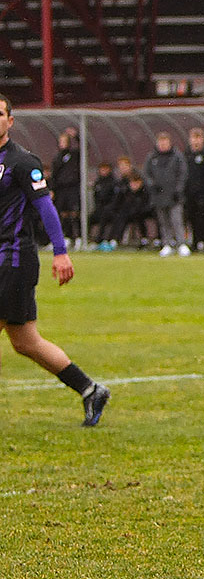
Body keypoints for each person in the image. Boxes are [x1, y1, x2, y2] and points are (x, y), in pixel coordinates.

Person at [0, 94, 110, 426]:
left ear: (10, 121)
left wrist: (61, 252)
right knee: (25, 342)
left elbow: (45, 207)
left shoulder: (22, 161)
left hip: (13, 259)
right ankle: (90, 390)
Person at [145, 131, 188, 257]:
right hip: (159, 196)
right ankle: (167, 244)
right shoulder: (152, 157)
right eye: (161, 142)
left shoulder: (177, 156)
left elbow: (183, 174)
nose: (163, 145)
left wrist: (178, 189)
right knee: (163, 222)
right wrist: (152, 185)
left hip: (174, 195)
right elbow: (147, 174)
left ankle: (181, 244)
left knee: (176, 220)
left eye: (165, 142)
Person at [51, 130, 82, 249]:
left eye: (64, 141)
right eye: (60, 142)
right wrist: (52, 189)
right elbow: (54, 174)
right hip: (61, 189)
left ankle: (79, 237)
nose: (62, 144)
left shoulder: (74, 154)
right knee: (64, 214)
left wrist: (76, 136)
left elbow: (85, 147)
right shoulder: (57, 157)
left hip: (73, 187)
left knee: (75, 212)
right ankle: (68, 237)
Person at [88, 161, 118, 249]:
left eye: (105, 169)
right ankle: (86, 239)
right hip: (99, 209)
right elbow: (96, 197)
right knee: (88, 218)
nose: (103, 171)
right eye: (102, 169)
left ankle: (102, 239)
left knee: (105, 217)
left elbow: (115, 199)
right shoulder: (98, 182)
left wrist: (109, 207)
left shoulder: (113, 182)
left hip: (111, 210)